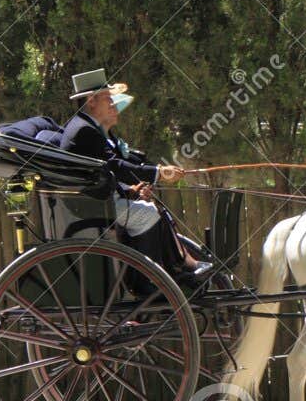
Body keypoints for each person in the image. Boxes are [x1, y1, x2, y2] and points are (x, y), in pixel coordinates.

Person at [60, 70, 212, 282]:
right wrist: (158, 173)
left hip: (99, 200)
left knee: (153, 208)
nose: (114, 105)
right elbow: (115, 165)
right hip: (92, 206)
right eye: (107, 99)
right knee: (147, 213)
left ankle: (178, 265)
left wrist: (130, 189)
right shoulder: (83, 130)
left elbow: (108, 169)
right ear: (92, 101)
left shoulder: (88, 127)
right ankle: (148, 280)